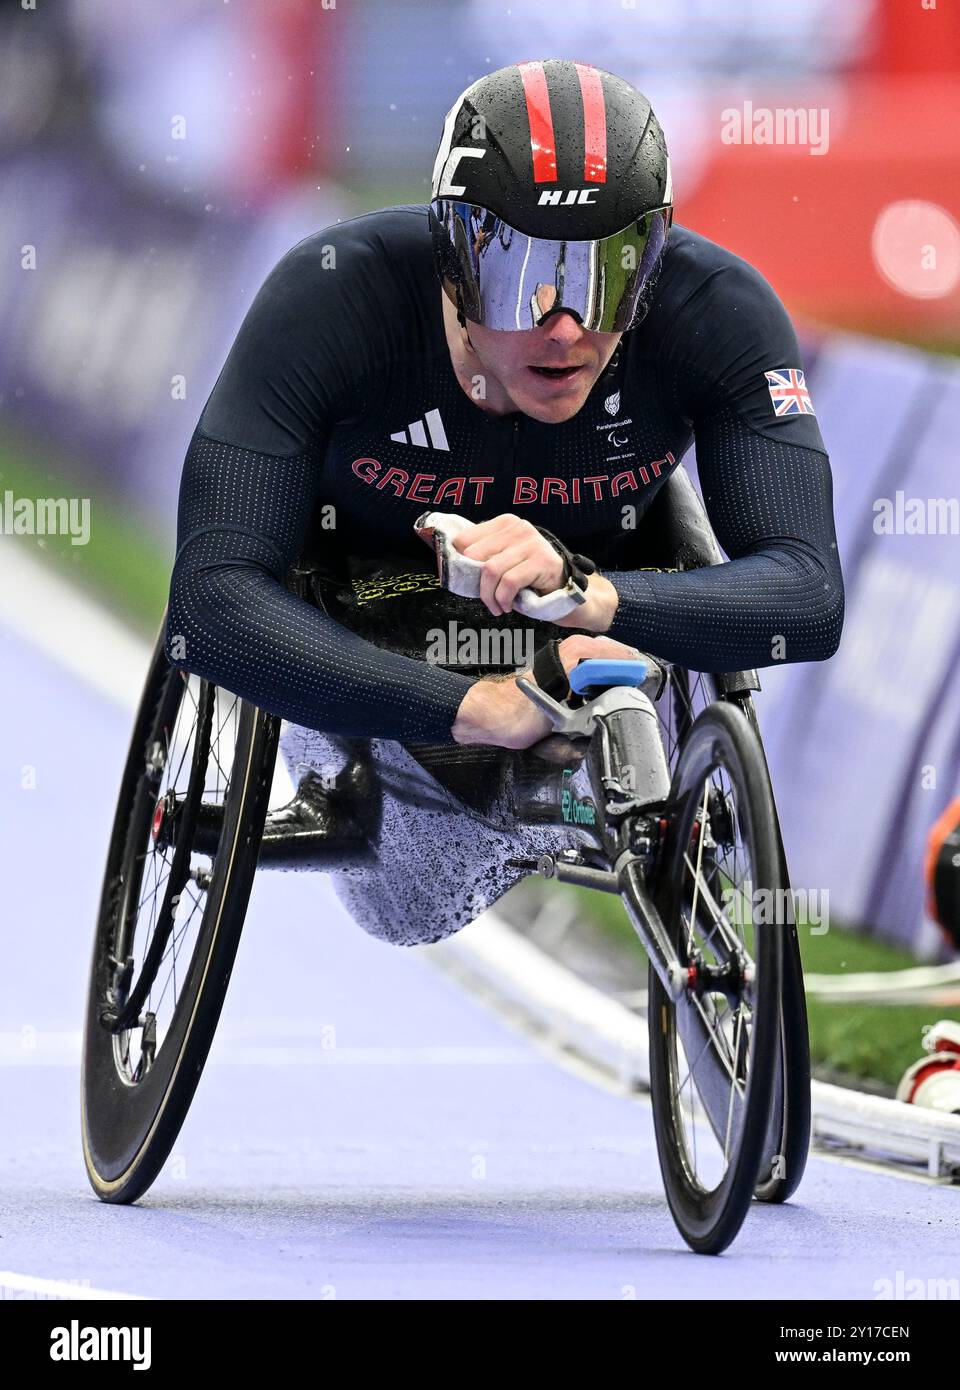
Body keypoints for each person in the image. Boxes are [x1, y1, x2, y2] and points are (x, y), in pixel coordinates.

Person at [166, 58, 843, 750]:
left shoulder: (719, 310)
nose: (565, 327)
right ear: (453, 260)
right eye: (522, 277)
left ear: (653, 262)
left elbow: (809, 596)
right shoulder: (331, 296)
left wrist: (592, 594)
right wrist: (481, 708)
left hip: (591, 594)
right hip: (366, 591)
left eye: (605, 275)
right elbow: (209, 600)